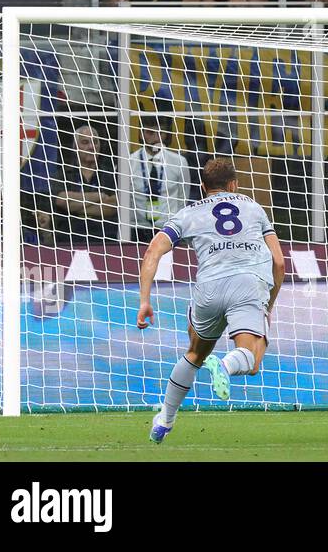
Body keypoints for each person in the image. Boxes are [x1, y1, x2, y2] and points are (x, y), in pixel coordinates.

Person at [137, 157, 286, 443]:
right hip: (247, 284)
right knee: (251, 359)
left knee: (194, 353)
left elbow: (153, 251)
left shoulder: (188, 213)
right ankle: (226, 366)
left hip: (208, 288)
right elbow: (278, 263)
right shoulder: (254, 208)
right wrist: (268, 305)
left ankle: (165, 420)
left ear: (204, 186)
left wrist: (145, 300)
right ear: (234, 184)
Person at [121, 116, 192, 240]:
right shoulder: (129, 162)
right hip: (137, 229)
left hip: (169, 228)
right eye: (150, 133)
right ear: (141, 134)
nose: (156, 138)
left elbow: (183, 199)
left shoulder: (179, 162)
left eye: (160, 133)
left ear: (166, 135)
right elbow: (125, 201)